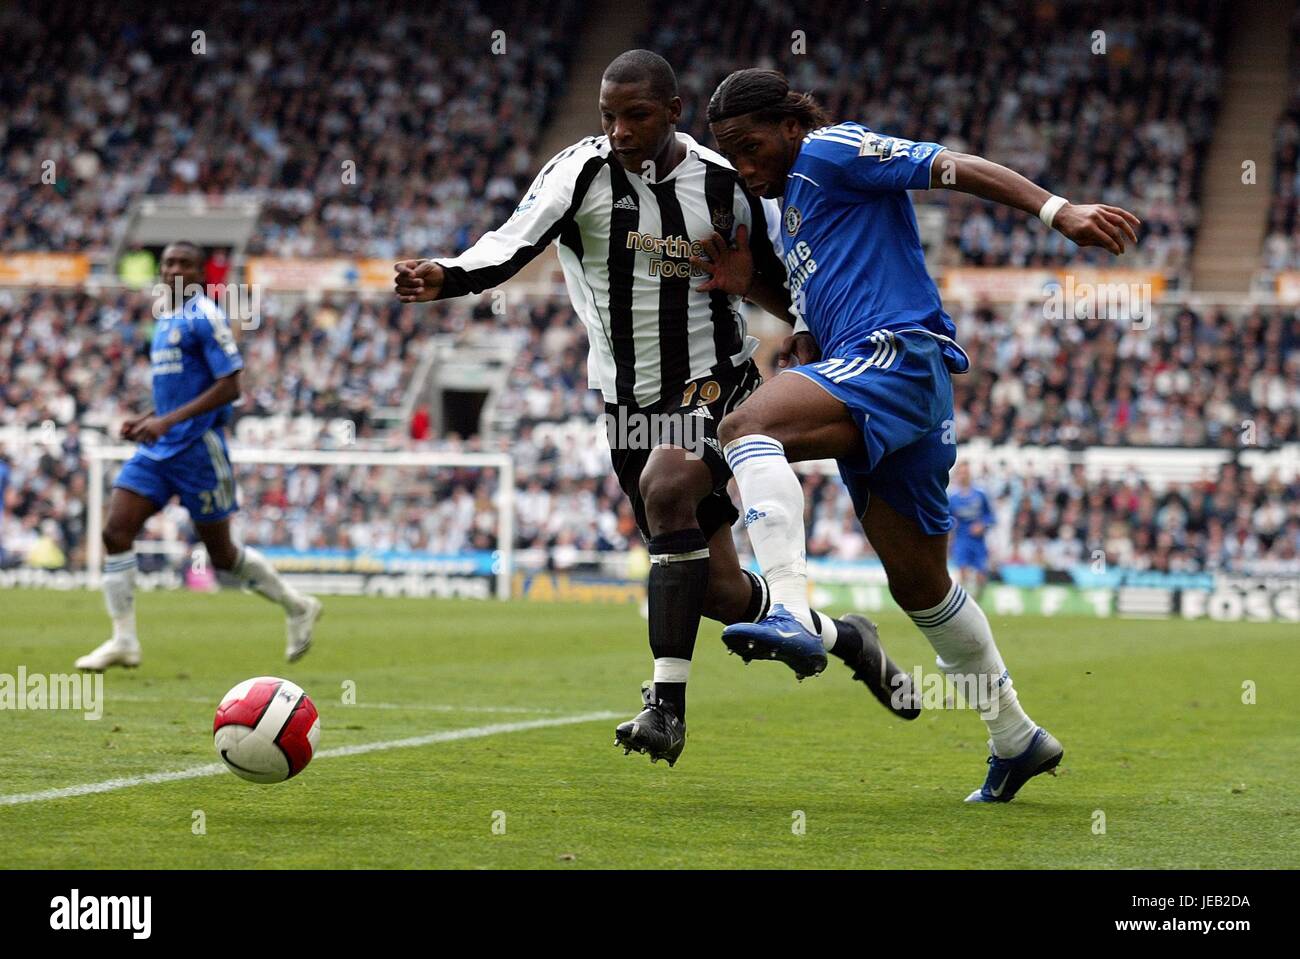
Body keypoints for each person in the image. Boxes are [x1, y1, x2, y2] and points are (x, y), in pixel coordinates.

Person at [394, 51, 917, 767]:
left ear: (673, 112)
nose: (617, 130)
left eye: (634, 115)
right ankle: (846, 637)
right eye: (607, 115)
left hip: (714, 379)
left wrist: (802, 325)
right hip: (625, 400)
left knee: (668, 486)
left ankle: (664, 707)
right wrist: (446, 274)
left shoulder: (721, 181)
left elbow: (773, 270)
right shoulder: (579, 171)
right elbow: (511, 242)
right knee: (718, 590)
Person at [698, 68, 1140, 802]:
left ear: (790, 127)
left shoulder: (831, 151)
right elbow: (818, 313)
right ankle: (1017, 739)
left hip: (895, 356)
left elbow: (950, 164)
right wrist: (759, 291)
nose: (746, 167)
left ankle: (788, 604)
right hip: (880, 380)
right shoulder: (793, 213)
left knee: (745, 425)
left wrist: (1055, 210)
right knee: (921, 586)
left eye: (751, 147)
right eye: (731, 155)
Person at [75, 242, 322, 671]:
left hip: (199, 450)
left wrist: (166, 424)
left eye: (184, 264)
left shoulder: (205, 315)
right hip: (160, 449)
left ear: (199, 273)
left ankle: (297, 605)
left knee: (223, 556)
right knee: (116, 532)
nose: (173, 270)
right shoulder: (166, 318)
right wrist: (148, 419)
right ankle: (124, 640)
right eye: (168, 262)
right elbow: (181, 391)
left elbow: (231, 385)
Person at [949, 463, 996, 596]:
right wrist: (953, 525)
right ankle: (963, 601)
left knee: (981, 573)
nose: (964, 475)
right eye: (961, 473)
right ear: (957, 475)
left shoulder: (980, 494)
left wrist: (982, 525)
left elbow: (991, 516)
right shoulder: (953, 497)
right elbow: (947, 518)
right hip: (961, 539)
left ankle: (977, 599)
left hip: (978, 541)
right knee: (962, 570)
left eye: (966, 473)